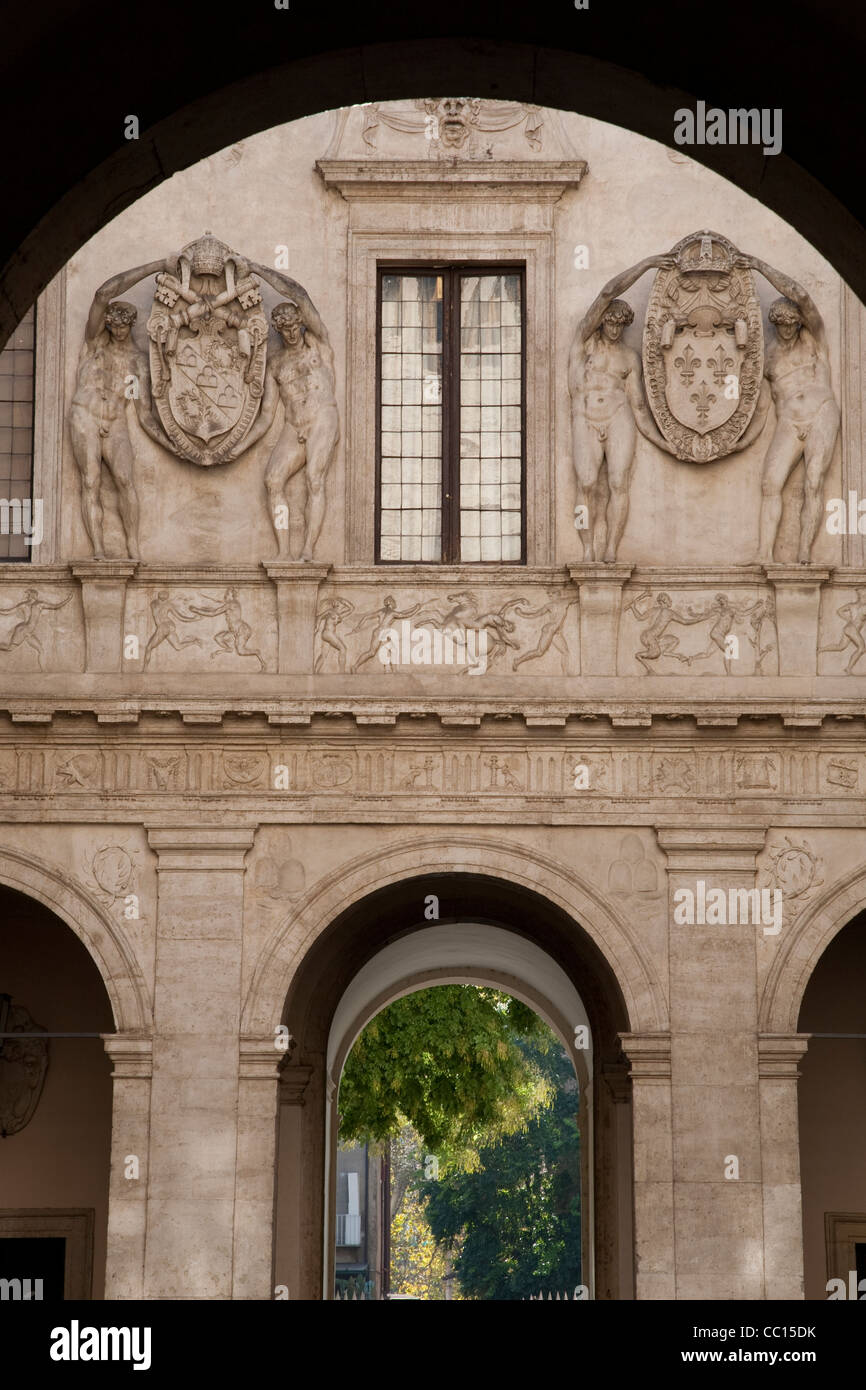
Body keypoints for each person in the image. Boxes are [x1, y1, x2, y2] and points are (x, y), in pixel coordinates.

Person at [734, 253, 840, 564]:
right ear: (775, 325)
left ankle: (805, 552)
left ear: (798, 323)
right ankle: (764, 553)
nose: (787, 331)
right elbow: (766, 406)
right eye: (781, 326)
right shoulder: (769, 357)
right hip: (789, 422)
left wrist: (760, 266)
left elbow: (803, 297)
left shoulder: (814, 341)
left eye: (791, 324)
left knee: (813, 481)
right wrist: (745, 438)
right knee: (771, 481)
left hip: (821, 411)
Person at [568, 254, 673, 562]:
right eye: (610, 323)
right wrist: (646, 265)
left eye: (620, 325)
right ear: (601, 322)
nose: (614, 329)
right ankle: (587, 549)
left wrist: (663, 441)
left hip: (619, 417)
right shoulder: (584, 344)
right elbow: (607, 293)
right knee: (586, 482)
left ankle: (612, 548)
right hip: (585, 417)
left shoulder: (629, 358)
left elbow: (640, 408)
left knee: (618, 483)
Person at [69, 258, 172, 559]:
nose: (121, 329)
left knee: (126, 481)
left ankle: (132, 547)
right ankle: (99, 549)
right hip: (84, 417)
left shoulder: (138, 361)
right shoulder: (95, 344)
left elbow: (144, 414)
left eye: (126, 324)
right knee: (90, 481)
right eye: (115, 324)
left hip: (114, 425)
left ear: (132, 324)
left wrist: (169, 442)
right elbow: (103, 295)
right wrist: (157, 267)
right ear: (109, 324)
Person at [241, 262, 339, 561]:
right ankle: (284, 551)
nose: (290, 333)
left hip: (322, 417)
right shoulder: (277, 363)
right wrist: (240, 446)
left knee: (314, 479)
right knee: (273, 480)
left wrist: (257, 270)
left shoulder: (317, 345)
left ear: (301, 323)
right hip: (293, 425)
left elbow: (299, 294)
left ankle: (308, 549)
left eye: (294, 326)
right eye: (283, 330)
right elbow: (267, 416)